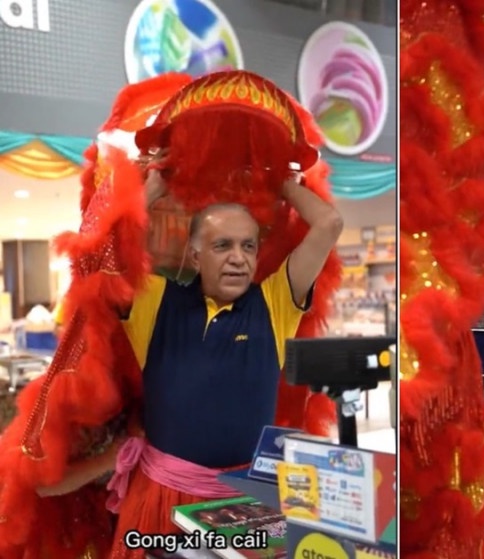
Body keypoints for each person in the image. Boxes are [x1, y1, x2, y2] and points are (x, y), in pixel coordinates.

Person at [36, 164, 343, 558]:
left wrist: (280, 181)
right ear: (196, 255)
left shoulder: (275, 302)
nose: (238, 258)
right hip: (161, 503)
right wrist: (150, 190)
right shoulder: (155, 299)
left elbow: (329, 223)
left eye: (248, 246)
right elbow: (95, 263)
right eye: (223, 246)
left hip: (246, 507)